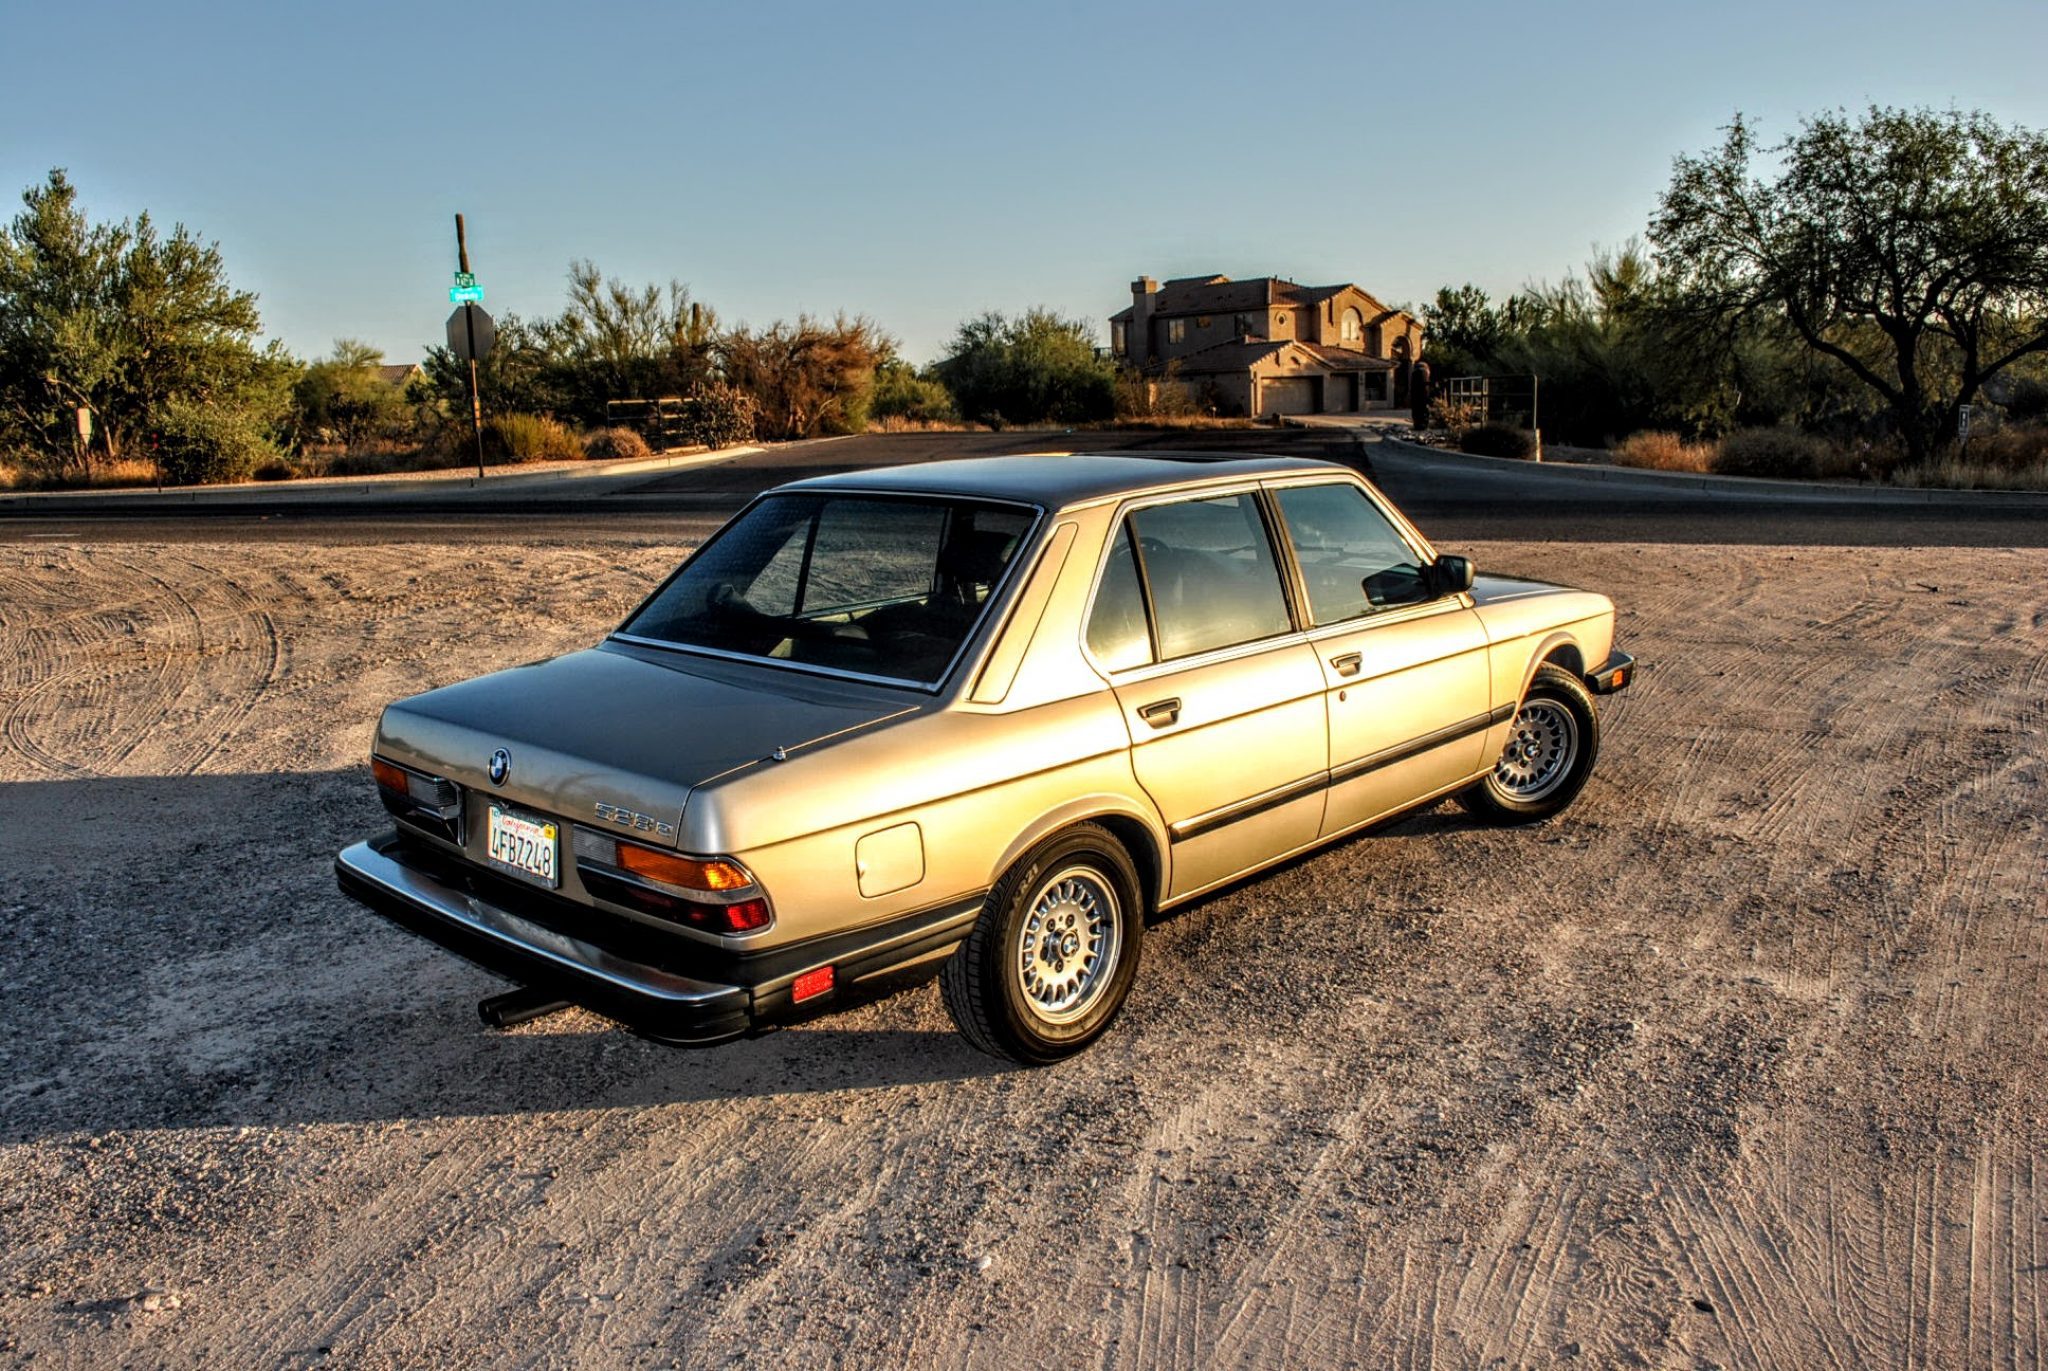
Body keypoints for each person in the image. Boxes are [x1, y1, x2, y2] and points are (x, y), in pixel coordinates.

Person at [1408, 359, 1432, 430]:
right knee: (1423, 410)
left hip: (1415, 397)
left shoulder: (1414, 373)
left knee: (1416, 411)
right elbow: (1426, 386)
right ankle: (1423, 425)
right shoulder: (1425, 372)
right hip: (1423, 396)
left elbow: (1412, 386)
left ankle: (1417, 424)